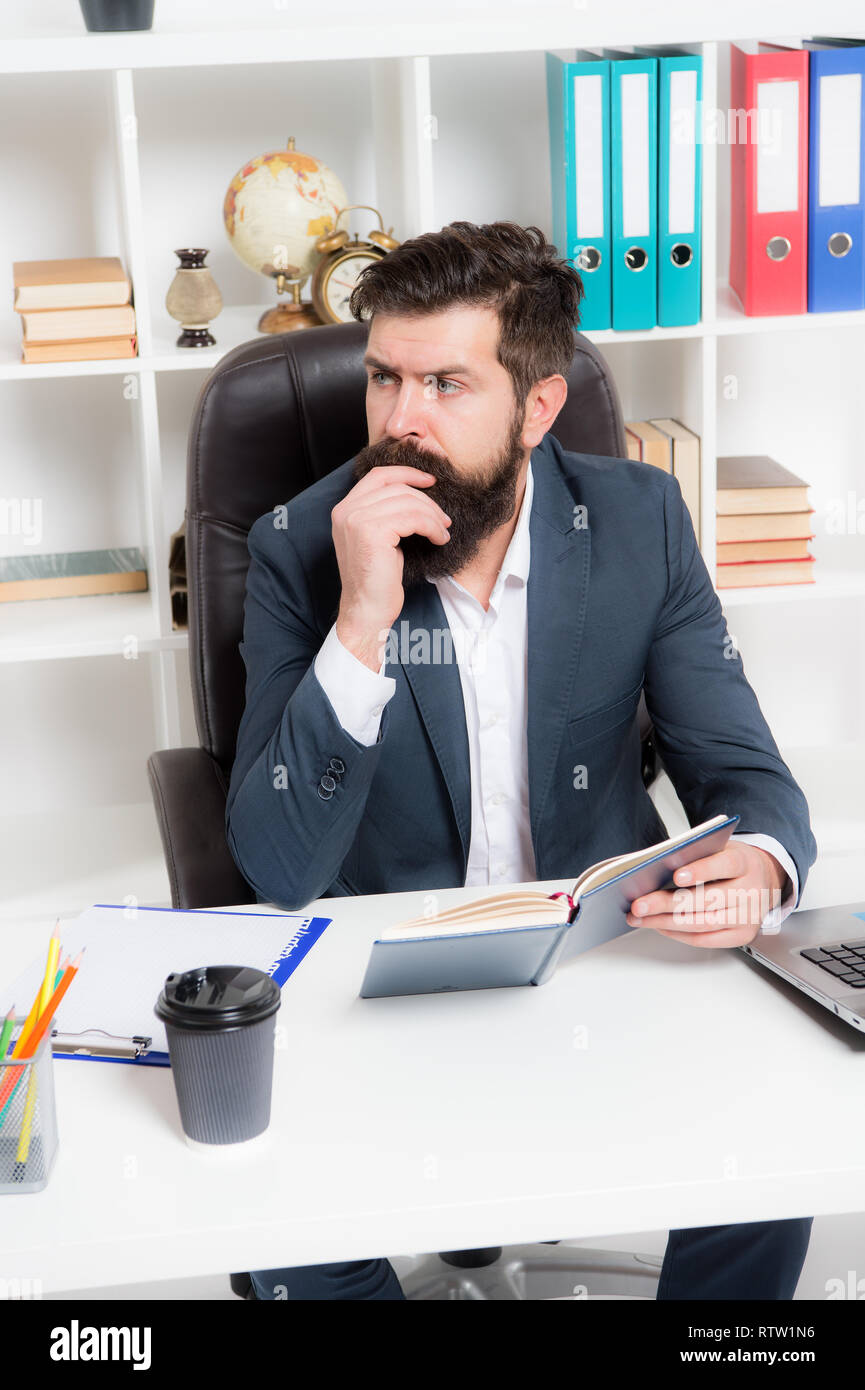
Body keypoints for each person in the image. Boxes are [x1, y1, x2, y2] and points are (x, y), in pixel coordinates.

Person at [226, 221, 817, 1301]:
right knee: (273, 1213)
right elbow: (277, 863)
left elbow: (743, 770)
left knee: (778, 1147)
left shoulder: (639, 519)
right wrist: (361, 619)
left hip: (605, 957)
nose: (399, 422)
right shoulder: (299, 546)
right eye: (384, 379)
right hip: (386, 983)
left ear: (538, 407)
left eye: (446, 384)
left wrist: (763, 862)